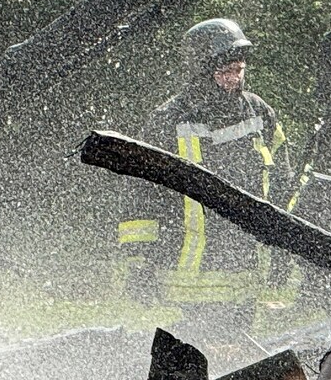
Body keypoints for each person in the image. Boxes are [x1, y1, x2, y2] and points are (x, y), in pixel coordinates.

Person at [118, 18, 285, 316]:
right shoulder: (168, 121)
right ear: (200, 71)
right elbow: (140, 195)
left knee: (241, 359)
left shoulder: (259, 113)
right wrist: (138, 264)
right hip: (182, 287)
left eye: (239, 70)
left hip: (244, 282)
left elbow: (281, 184)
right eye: (225, 72)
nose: (234, 79)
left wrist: (285, 245)